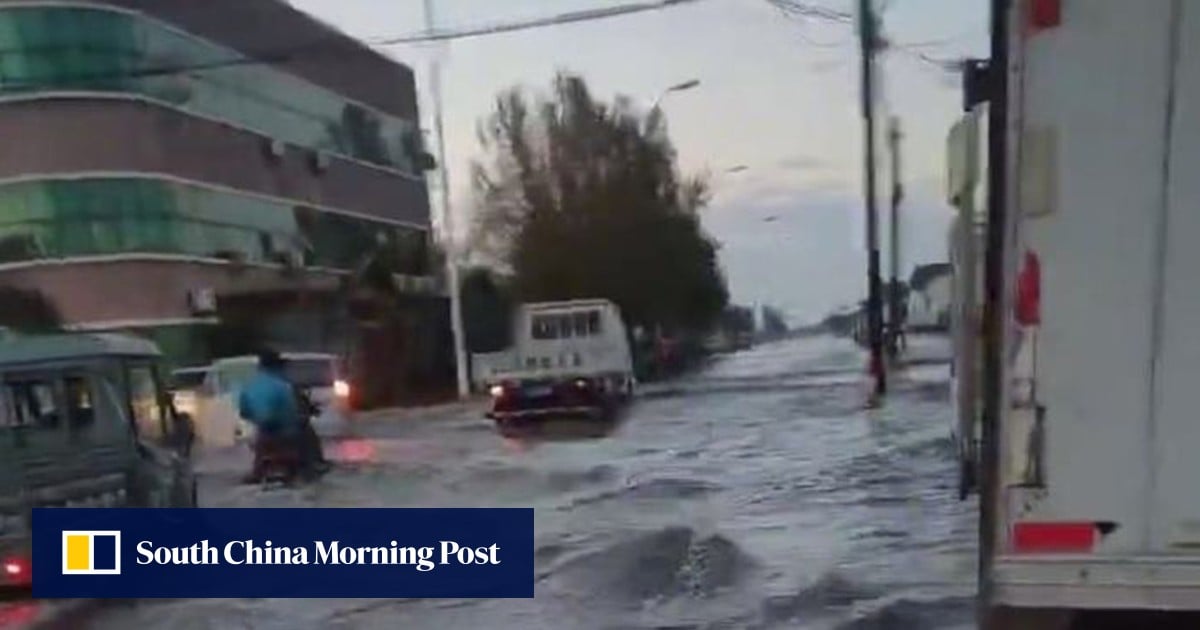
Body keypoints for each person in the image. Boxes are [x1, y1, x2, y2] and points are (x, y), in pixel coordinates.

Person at [238, 349, 303, 484]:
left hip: (264, 434)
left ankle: (257, 474)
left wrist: (257, 419)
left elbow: (244, 412)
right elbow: (294, 410)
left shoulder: (248, 387)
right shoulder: (284, 386)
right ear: (276, 367)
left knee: (256, 470)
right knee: (300, 467)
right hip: (287, 434)